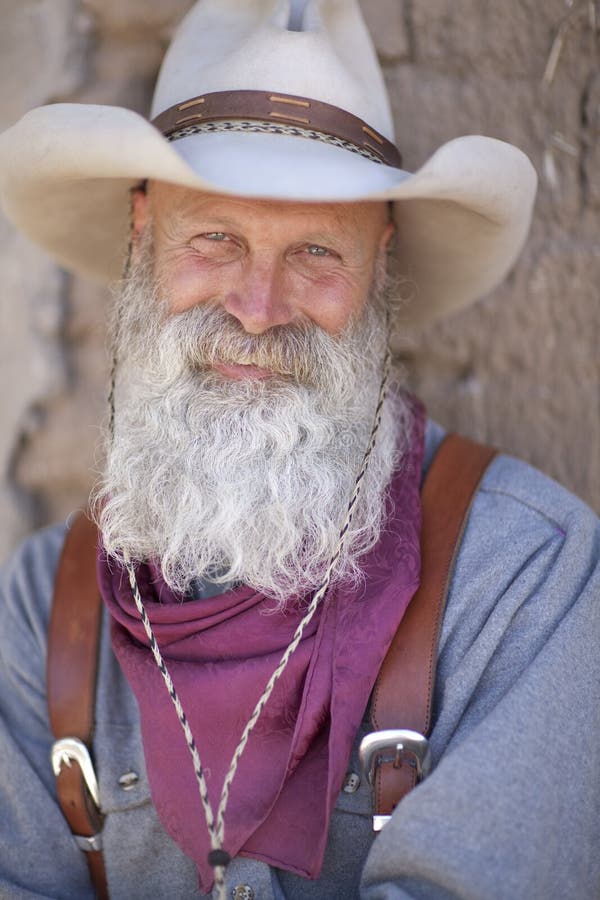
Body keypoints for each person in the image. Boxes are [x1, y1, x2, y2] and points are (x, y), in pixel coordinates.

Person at [0, 1, 599, 898]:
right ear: (142, 232)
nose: (258, 306)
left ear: (379, 264)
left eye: (318, 251)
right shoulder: (46, 607)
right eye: (215, 238)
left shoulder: (525, 579)